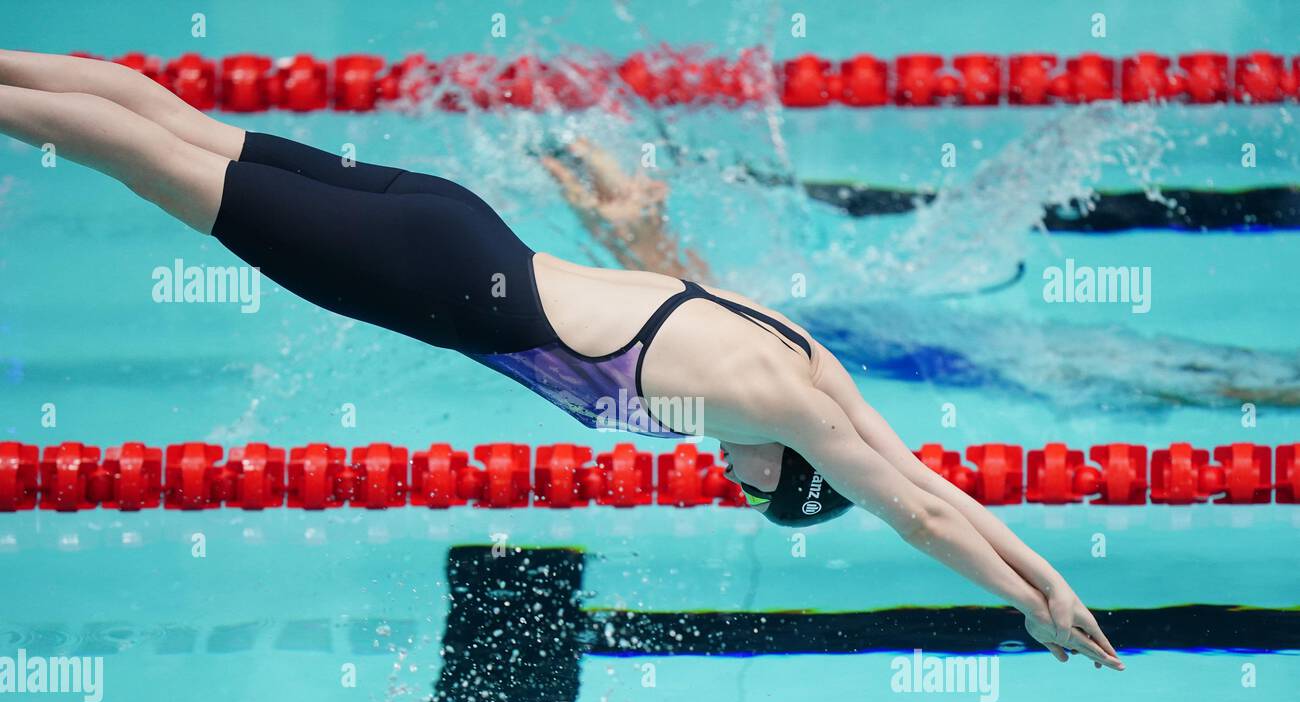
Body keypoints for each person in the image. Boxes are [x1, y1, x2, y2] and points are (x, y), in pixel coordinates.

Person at [0, 49, 1123, 670]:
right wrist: (1019, 605)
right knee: (150, 161)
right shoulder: (784, 402)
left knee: (186, 128)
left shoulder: (808, 362)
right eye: (748, 480)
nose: (726, 472)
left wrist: (1048, 583)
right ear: (792, 466)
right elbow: (916, 513)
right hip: (426, 279)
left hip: (452, 224)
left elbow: (932, 480)